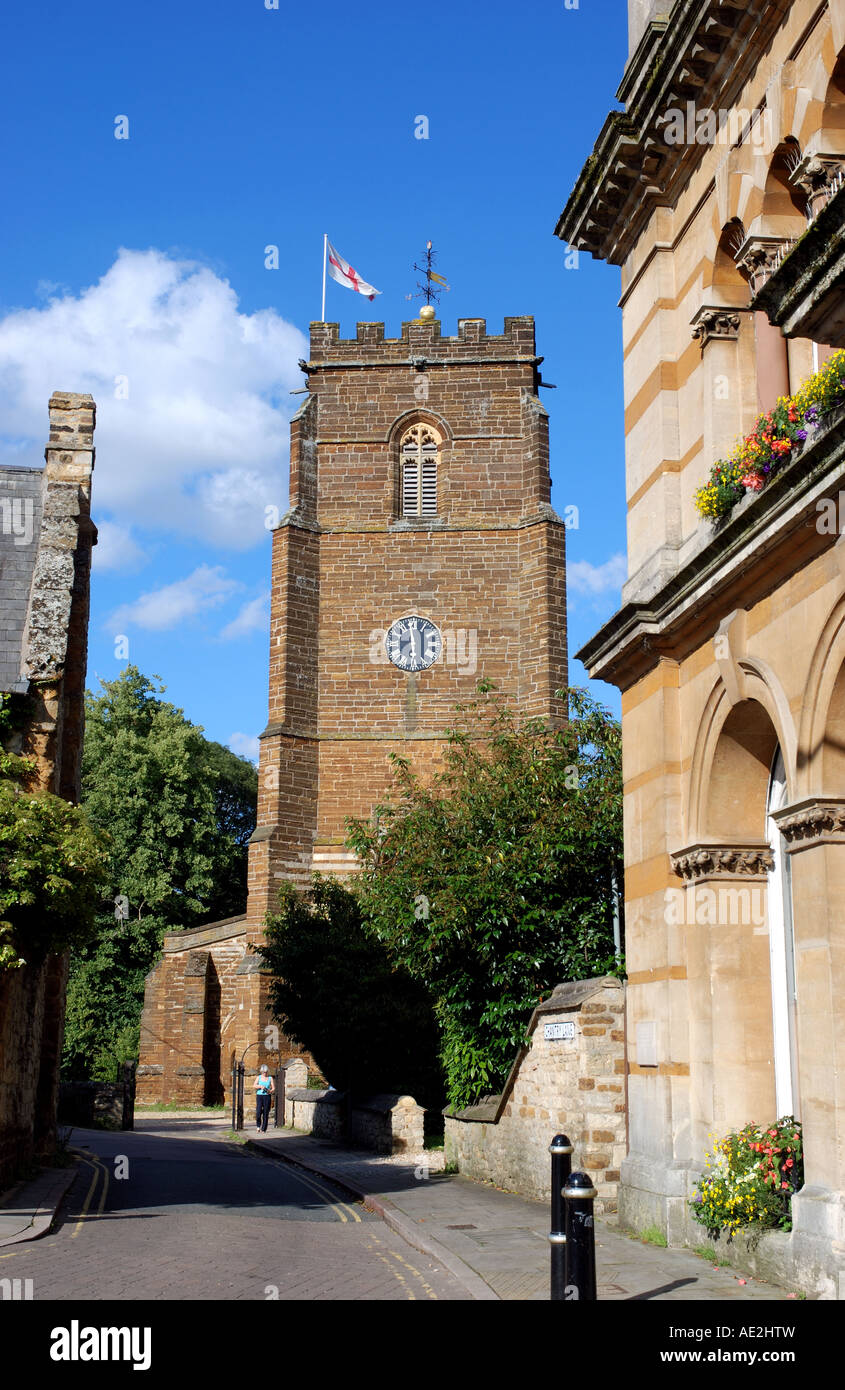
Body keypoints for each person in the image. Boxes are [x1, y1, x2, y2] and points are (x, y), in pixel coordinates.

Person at [253, 1064, 275, 1131]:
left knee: (266, 1112)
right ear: (261, 1072)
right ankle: (258, 1126)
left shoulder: (270, 1078)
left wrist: (270, 1091)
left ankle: (264, 1128)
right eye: (263, 1072)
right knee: (258, 1111)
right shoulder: (259, 1077)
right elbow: (254, 1085)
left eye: (265, 1072)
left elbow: (273, 1088)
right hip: (259, 1096)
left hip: (267, 1096)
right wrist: (260, 1086)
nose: (264, 1073)